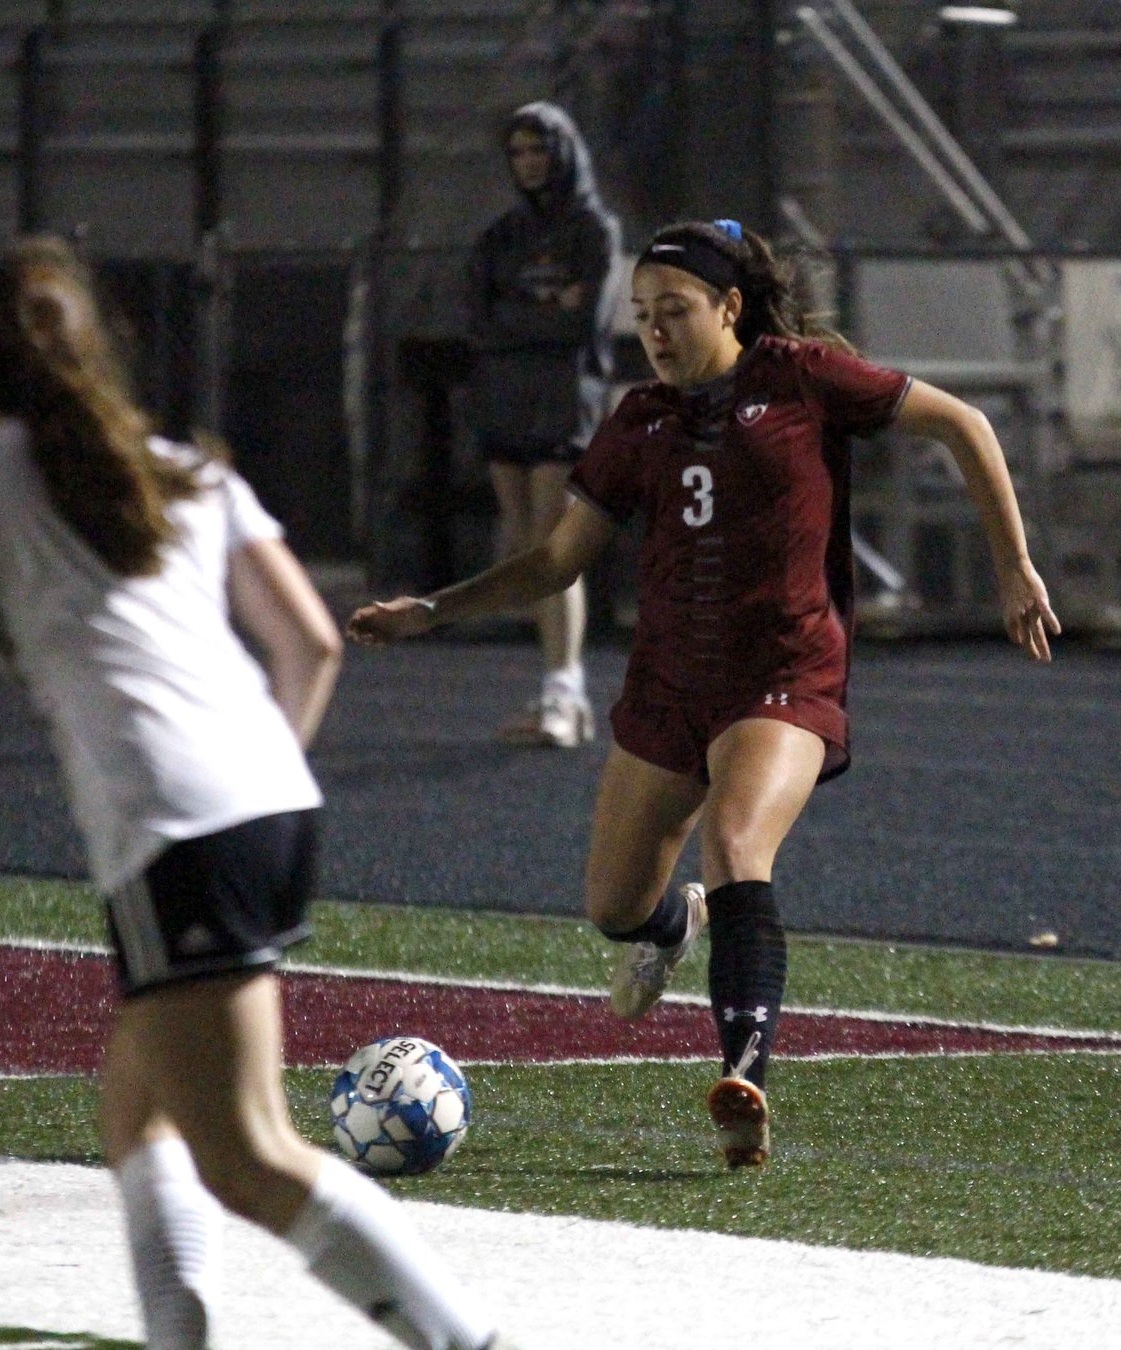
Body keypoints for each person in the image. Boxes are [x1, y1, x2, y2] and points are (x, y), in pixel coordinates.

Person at [0, 238, 519, 1350]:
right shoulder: (185, 468)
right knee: (134, 1106)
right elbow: (312, 645)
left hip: (175, 832)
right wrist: (257, 781)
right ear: (98, 345)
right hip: (270, 803)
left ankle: (468, 1343)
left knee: (250, 1157)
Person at [351, 219, 1060, 1170]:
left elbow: (964, 424)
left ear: (729, 307)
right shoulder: (637, 419)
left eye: (673, 309)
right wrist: (428, 610)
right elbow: (555, 560)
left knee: (737, 842)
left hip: (783, 676)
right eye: (641, 314)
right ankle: (669, 925)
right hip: (668, 688)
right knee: (611, 906)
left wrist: (1012, 566)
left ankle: (744, 1078)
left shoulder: (803, 378)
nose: (654, 329)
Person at [464, 101, 623, 747]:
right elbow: (478, 320)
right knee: (527, 552)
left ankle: (564, 690)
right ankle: (560, 691)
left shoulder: (593, 229)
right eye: (518, 153)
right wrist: (542, 310)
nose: (529, 164)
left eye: (538, 151)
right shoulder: (499, 237)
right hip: (504, 393)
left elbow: (584, 326)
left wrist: (520, 315)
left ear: (564, 153)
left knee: (552, 550)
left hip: (564, 396)